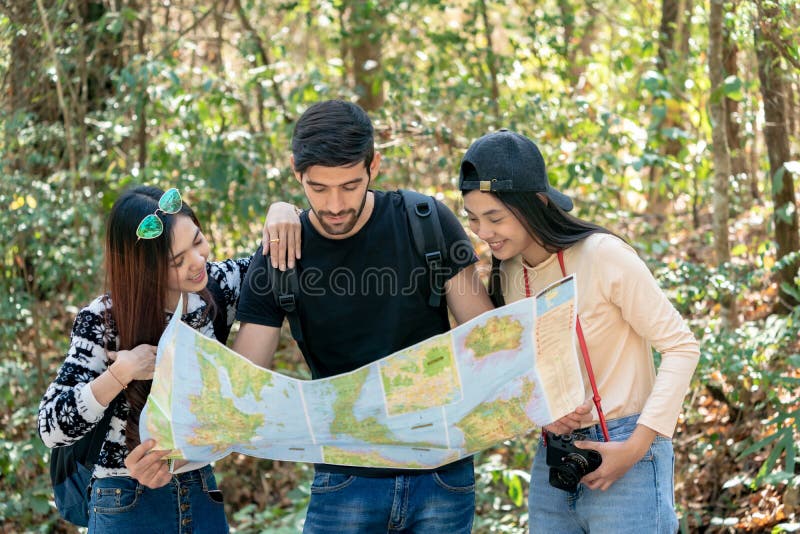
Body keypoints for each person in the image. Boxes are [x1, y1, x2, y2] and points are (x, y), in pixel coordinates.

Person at [231, 99, 500, 533]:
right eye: (318, 188)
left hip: (442, 474)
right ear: (295, 171)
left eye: (350, 185)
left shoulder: (427, 223)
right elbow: (242, 380)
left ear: (374, 165)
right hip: (346, 479)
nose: (335, 204)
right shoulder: (279, 257)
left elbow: (487, 341)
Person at [458, 129, 700, 533]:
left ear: (536, 203)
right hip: (554, 454)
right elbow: (518, 366)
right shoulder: (509, 271)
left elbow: (681, 347)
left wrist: (636, 448)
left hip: (626, 444)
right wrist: (543, 411)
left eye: (495, 217)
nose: (483, 231)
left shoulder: (603, 256)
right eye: (473, 218)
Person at [37, 186, 252, 533]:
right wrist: (119, 374)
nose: (198, 262)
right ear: (144, 268)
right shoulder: (103, 319)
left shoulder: (215, 287)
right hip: (125, 501)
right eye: (177, 261)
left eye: (198, 241)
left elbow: (275, 259)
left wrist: (282, 212)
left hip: (200, 489)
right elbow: (51, 427)